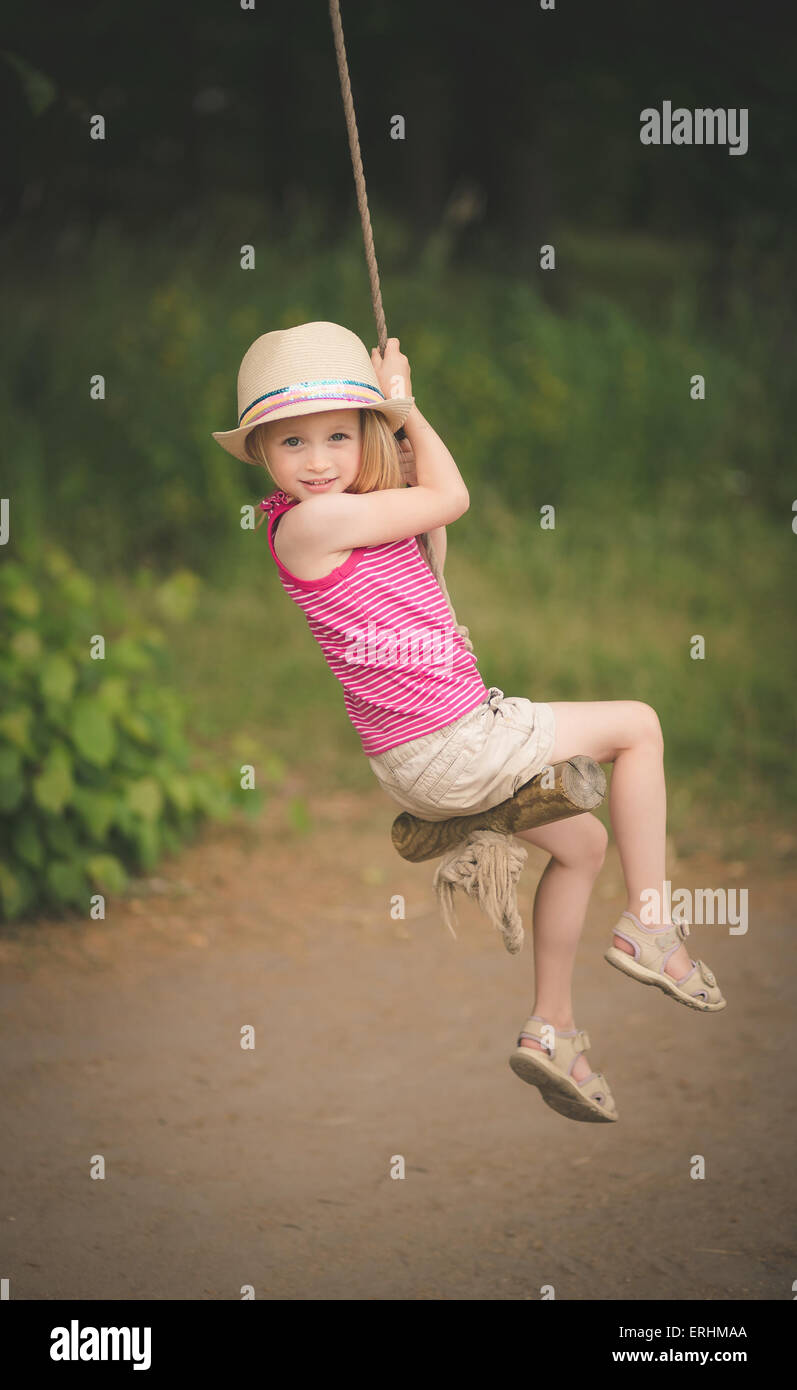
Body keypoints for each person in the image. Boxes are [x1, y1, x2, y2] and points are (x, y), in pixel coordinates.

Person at [212, 320, 726, 1126]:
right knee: (640, 725)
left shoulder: (354, 515)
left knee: (583, 845)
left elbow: (432, 528)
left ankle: (551, 1028)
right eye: (292, 444)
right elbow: (451, 496)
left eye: (338, 436)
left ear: (362, 436)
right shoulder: (306, 525)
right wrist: (407, 410)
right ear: (263, 457)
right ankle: (652, 925)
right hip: (446, 742)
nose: (317, 461)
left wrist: (400, 436)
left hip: (432, 746)